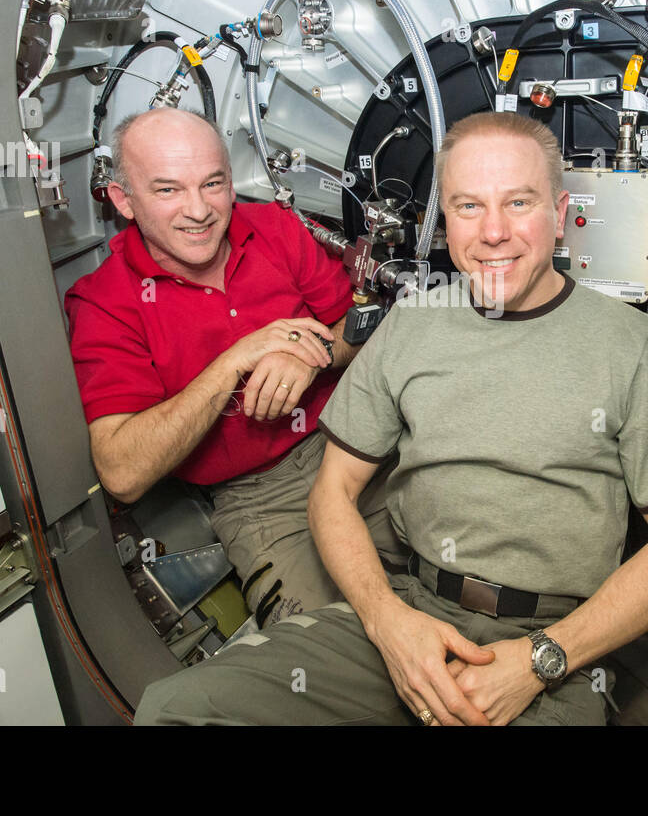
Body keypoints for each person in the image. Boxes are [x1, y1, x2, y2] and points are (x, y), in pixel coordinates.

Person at [134, 111, 648, 725]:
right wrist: (389, 624)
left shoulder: (634, 347)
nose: (493, 232)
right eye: (467, 206)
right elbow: (333, 492)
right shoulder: (413, 322)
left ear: (561, 214)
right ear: (443, 221)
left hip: (555, 642)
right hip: (412, 611)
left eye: (518, 202)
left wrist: (542, 658)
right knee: (176, 709)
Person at [64, 107, 399, 628]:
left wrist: (311, 355)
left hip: (356, 440)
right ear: (124, 201)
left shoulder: (273, 227)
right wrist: (234, 360)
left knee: (475, 560)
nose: (199, 210)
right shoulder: (104, 303)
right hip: (262, 502)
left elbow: (361, 328)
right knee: (328, 648)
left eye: (213, 183)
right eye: (168, 190)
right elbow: (122, 473)